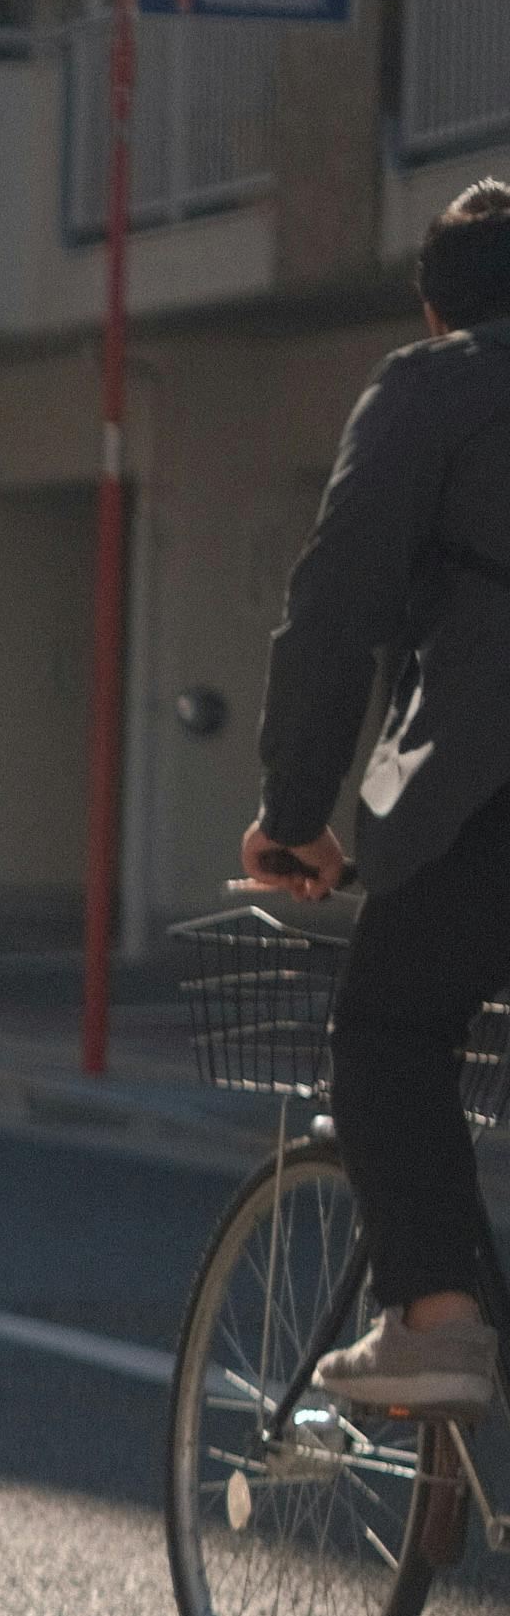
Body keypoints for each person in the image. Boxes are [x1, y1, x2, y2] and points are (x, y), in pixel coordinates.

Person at [248, 173, 510, 1419]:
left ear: (433, 309)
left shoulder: (440, 388)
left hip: (490, 787)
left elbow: (338, 602)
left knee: (394, 1034)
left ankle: (442, 1325)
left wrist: (296, 808)